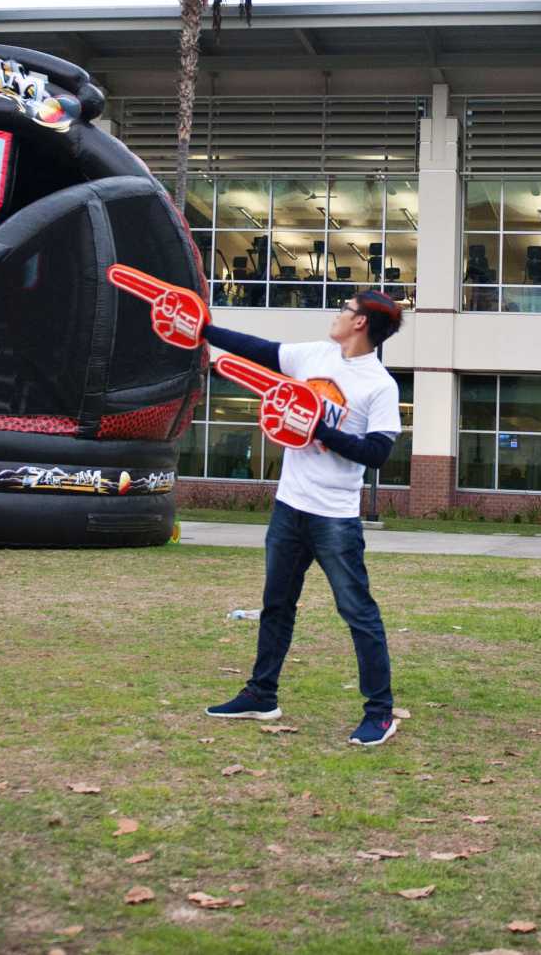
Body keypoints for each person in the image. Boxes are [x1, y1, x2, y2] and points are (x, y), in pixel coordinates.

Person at [201, 291, 406, 746]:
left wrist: (318, 428)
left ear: (361, 323)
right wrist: (204, 330)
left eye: (345, 309)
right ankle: (261, 694)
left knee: (358, 614)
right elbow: (259, 349)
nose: (337, 315)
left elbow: (376, 453)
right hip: (290, 506)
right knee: (276, 605)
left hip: (334, 517)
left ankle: (380, 712)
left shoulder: (379, 384)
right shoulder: (314, 355)